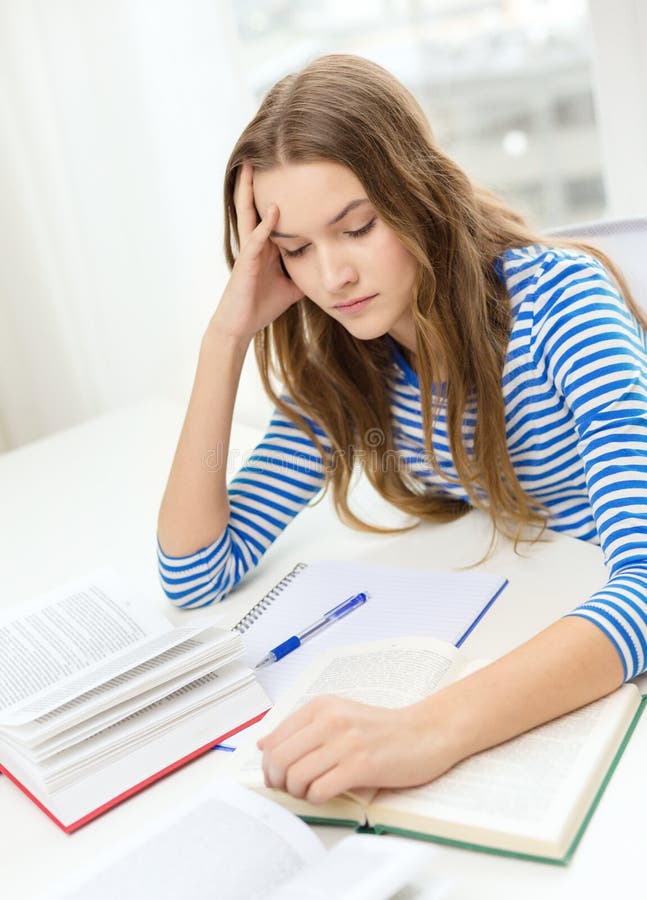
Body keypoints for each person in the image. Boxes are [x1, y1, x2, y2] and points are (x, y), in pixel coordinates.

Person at [157, 54, 647, 805]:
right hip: (552, 587)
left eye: (355, 228)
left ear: (416, 195)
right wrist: (223, 339)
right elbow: (195, 573)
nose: (331, 278)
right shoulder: (354, 369)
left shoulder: (563, 308)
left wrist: (427, 730)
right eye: (294, 251)